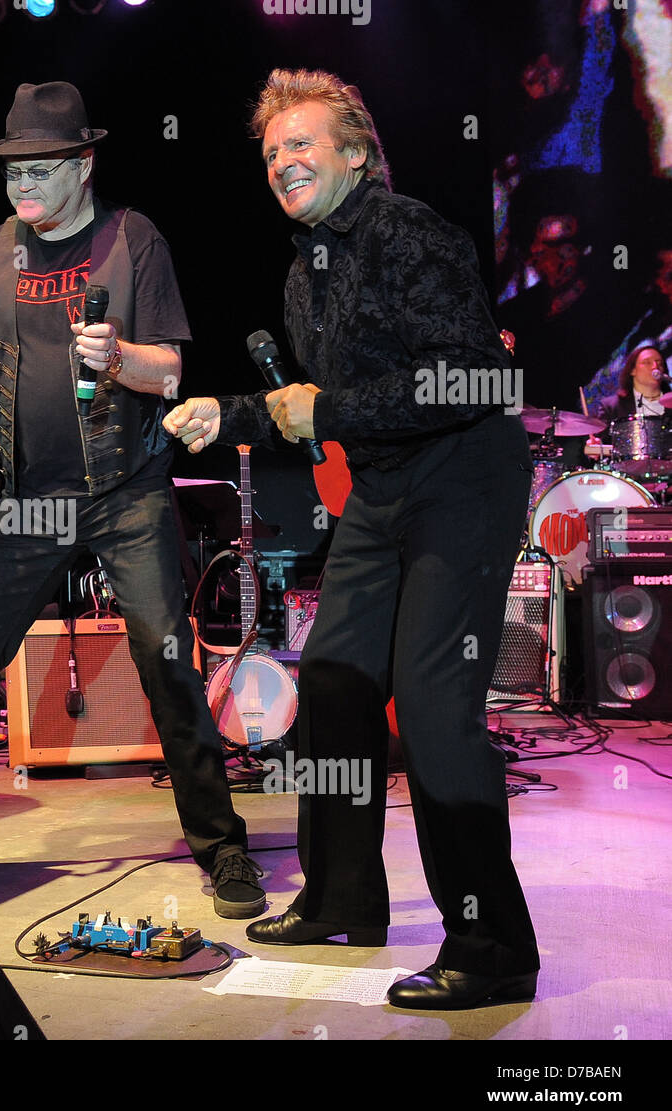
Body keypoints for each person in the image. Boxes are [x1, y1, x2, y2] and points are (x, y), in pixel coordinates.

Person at [164, 69, 540, 1007]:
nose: (282, 161)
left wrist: (320, 408)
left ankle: (492, 946)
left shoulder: (409, 235)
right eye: (270, 152)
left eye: (302, 144)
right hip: (381, 488)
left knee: (433, 703)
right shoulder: (304, 273)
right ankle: (342, 898)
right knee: (331, 681)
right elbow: (309, 412)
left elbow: (476, 383)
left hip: (463, 482)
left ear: (357, 154)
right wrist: (231, 413)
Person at [0, 81, 265, 920]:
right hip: (27, 499)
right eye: (12, 174)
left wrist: (120, 357)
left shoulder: (135, 239)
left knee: (166, 662)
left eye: (40, 172)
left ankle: (221, 846)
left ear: (84, 166)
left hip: (126, 491)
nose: (23, 190)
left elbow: (171, 371)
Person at [594, 342, 670, 424]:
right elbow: (602, 436)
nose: (655, 366)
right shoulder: (611, 407)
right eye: (647, 362)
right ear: (632, 370)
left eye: (660, 363)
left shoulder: (670, 401)